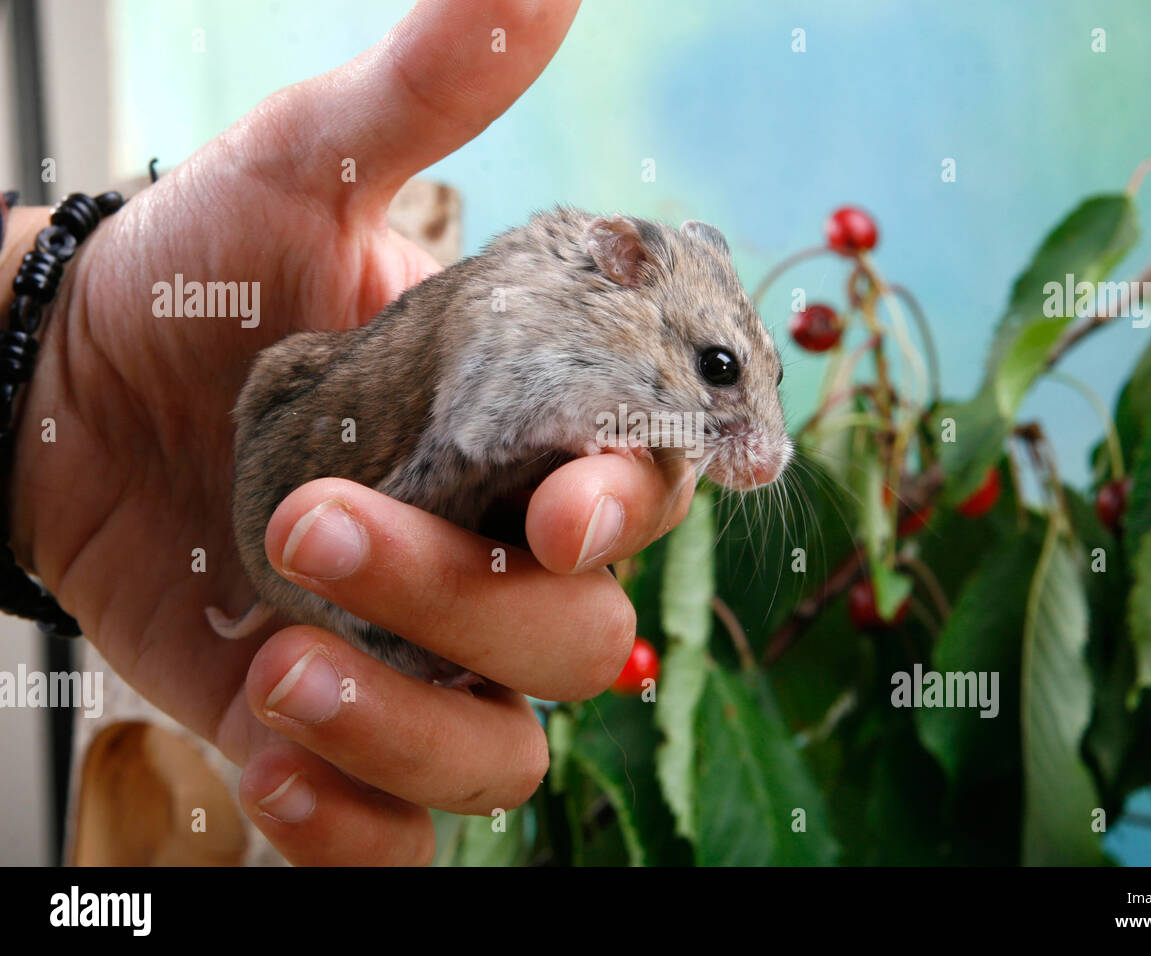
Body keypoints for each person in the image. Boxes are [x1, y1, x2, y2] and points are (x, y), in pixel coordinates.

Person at [0, 0, 694, 865]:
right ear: (619, 269)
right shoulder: (540, 312)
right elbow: (482, 421)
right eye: (719, 373)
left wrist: (48, 356)